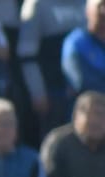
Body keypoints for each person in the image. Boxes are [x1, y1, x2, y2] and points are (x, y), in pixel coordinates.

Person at [19, 0, 89, 132]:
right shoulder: (36, 5)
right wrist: (37, 92)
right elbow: (27, 55)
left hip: (85, 92)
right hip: (54, 94)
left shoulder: (86, 3)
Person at [41, 87, 105, 177]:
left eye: (101, 115)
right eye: (91, 113)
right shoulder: (58, 143)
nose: (96, 120)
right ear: (76, 116)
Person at [63, 0, 105, 94]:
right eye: (99, 6)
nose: (103, 11)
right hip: (93, 99)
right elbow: (80, 82)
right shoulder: (76, 42)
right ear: (88, 12)